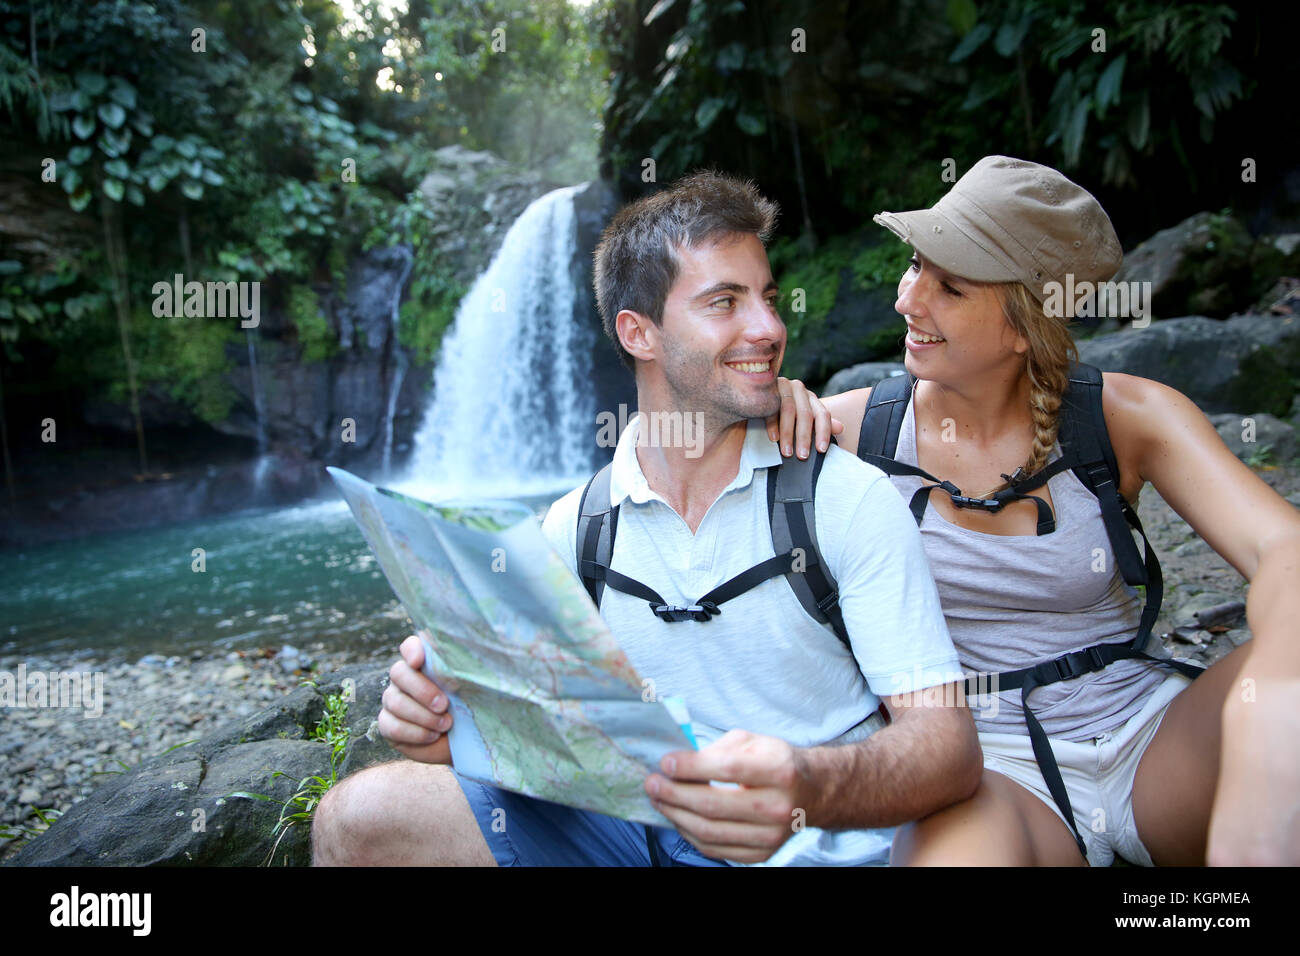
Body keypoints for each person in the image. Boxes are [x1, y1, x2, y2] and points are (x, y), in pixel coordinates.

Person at [311, 171, 982, 867]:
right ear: (639, 332)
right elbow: (540, 752)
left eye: (768, 299)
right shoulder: (574, 530)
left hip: (808, 847)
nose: (769, 328)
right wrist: (441, 726)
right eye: (726, 302)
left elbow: (947, 749)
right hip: (633, 836)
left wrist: (807, 783)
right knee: (358, 817)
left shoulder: (844, 500)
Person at [773, 155, 1300, 866]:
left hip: (1152, 740)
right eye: (913, 266)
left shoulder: (1125, 417)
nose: (907, 299)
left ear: (1024, 327)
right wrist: (757, 409)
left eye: (949, 286)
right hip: (989, 770)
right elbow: (680, 483)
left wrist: (1275, 701)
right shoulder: (842, 434)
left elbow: (1283, 552)